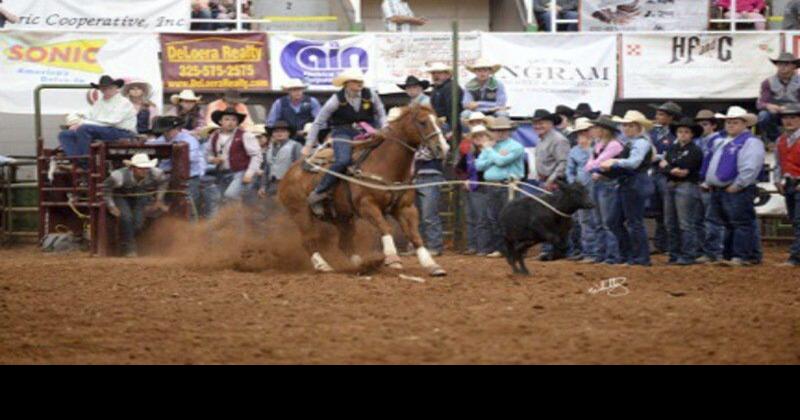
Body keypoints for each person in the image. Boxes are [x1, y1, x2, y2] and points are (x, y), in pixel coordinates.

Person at [304, 68, 387, 217]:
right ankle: (318, 192)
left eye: (360, 81)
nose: (360, 84)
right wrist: (308, 144)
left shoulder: (370, 94)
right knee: (343, 160)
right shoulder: (336, 100)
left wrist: (384, 128)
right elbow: (318, 122)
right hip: (342, 132)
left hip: (367, 131)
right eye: (355, 81)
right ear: (346, 84)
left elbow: (380, 112)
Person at [703, 106, 765, 267]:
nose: (730, 125)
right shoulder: (724, 141)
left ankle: (741, 255)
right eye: (728, 122)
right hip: (721, 188)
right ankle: (731, 255)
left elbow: (751, 167)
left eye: (735, 122)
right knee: (731, 223)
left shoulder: (750, 142)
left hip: (736, 188)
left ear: (745, 124)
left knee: (740, 223)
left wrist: (739, 184)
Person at [600, 110, 655, 266]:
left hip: (635, 184)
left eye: (630, 126)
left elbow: (634, 162)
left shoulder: (641, 143)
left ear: (638, 127)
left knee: (633, 222)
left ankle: (640, 257)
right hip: (628, 183)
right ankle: (630, 255)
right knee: (614, 221)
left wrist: (614, 162)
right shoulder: (632, 143)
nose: (626, 129)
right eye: (625, 125)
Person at [475, 117, 525, 258]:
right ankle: (501, 248)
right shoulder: (492, 146)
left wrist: (490, 152)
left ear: (509, 131)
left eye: (503, 130)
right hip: (492, 186)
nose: (500, 133)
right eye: (497, 130)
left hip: (508, 185)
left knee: (509, 218)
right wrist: (494, 156)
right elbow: (478, 165)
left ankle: (513, 248)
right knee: (493, 218)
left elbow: (501, 162)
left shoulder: (516, 146)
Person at [103, 153, 169, 257]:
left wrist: (159, 199)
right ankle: (129, 249)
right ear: (132, 168)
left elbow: (163, 182)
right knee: (126, 217)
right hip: (120, 195)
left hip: (140, 195)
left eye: (146, 168)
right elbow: (106, 188)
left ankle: (126, 244)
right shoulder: (118, 176)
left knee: (138, 222)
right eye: (141, 168)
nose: (144, 171)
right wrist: (111, 206)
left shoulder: (156, 173)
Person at [57, 75, 137, 159]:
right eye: (104, 88)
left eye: (109, 88)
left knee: (84, 129)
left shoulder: (123, 102)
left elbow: (112, 122)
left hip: (122, 132)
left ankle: (86, 163)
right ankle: (76, 161)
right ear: (100, 89)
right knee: (65, 134)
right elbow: (90, 116)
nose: (106, 90)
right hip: (105, 130)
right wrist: (77, 120)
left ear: (116, 87)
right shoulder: (100, 102)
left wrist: (81, 123)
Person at [660, 118, 704, 265]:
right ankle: (674, 254)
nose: (682, 134)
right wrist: (671, 169)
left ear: (692, 134)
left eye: (686, 132)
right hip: (673, 184)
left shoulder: (695, 150)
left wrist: (668, 167)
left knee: (685, 222)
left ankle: (687, 254)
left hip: (686, 185)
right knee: (670, 222)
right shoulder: (673, 148)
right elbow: (663, 165)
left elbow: (683, 171)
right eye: (680, 131)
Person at [146, 116, 208, 220]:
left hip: (188, 179)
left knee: (189, 208)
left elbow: (192, 158)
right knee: (170, 208)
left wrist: (173, 153)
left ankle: (192, 230)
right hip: (168, 179)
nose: (166, 134)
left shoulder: (189, 140)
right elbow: (148, 147)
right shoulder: (161, 140)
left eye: (168, 131)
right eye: (164, 132)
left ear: (176, 129)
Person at [585, 115, 626, 264]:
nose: (593, 130)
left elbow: (595, 164)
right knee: (598, 220)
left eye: (596, 128)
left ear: (604, 130)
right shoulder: (598, 144)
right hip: (600, 182)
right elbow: (591, 165)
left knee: (608, 221)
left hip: (608, 183)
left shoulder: (615, 145)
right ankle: (601, 254)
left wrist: (594, 167)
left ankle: (612, 255)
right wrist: (594, 167)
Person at [531, 109, 571, 261]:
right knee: (546, 218)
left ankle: (557, 251)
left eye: (541, 123)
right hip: (545, 181)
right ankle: (548, 250)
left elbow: (563, 162)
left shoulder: (558, 140)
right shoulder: (542, 139)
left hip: (555, 183)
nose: (537, 126)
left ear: (551, 123)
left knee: (553, 218)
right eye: (535, 123)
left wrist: (552, 179)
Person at [206, 107, 263, 204]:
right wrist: (212, 159)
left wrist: (249, 174)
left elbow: (256, 155)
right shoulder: (214, 136)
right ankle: (234, 218)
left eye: (234, 120)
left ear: (237, 122)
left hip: (241, 172)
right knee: (223, 201)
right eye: (227, 119)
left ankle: (239, 216)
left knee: (230, 195)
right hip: (222, 173)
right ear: (220, 121)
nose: (230, 122)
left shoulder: (246, 135)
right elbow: (208, 154)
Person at [648, 101, 682, 255]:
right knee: (658, 210)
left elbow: (675, 152)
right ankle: (661, 243)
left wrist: (659, 156)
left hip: (666, 173)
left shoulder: (676, 133)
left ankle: (670, 244)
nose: (657, 117)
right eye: (657, 114)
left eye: (661, 114)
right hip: (654, 172)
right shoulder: (652, 132)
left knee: (669, 210)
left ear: (671, 117)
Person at [566, 118, 601, 263]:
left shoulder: (599, 147)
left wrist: (588, 151)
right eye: (581, 132)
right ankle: (587, 251)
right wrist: (574, 184)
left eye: (586, 131)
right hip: (581, 190)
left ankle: (595, 252)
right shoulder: (574, 150)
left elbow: (597, 163)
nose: (584, 135)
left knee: (596, 220)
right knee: (583, 220)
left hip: (597, 187)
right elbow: (569, 170)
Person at [695, 109, 725, 263]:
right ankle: (706, 250)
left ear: (713, 125)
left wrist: (708, 181)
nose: (702, 127)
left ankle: (715, 251)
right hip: (699, 182)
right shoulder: (699, 141)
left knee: (712, 220)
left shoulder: (718, 141)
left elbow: (716, 162)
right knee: (700, 219)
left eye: (705, 124)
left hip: (709, 184)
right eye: (699, 124)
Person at [457, 124, 492, 256]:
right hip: (472, 188)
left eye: (481, 135)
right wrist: (464, 179)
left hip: (485, 186)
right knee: (471, 218)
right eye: (476, 136)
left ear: (487, 137)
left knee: (482, 218)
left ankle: (483, 247)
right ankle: (472, 245)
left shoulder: (490, 151)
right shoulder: (469, 154)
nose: (478, 138)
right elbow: (459, 168)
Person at [774, 104, 800, 267]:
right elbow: (778, 163)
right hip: (789, 182)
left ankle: (796, 256)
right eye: (786, 118)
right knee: (794, 219)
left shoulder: (782, 140)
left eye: (793, 118)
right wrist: (777, 179)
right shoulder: (780, 140)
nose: (789, 121)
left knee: (798, 220)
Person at [757, 52, 800, 144]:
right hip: (777, 113)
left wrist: (792, 109)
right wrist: (769, 106)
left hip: (796, 113)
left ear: (794, 66)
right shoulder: (768, 82)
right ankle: (776, 140)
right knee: (763, 116)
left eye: (786, 64)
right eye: (780, 64)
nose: (783, 66)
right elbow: (760, 103)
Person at [266, 79, 321, 145]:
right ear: (289, 91)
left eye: (299, 89)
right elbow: (271, 122)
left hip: (308, 137)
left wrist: (309, 131)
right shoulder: (279, 103)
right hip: (286, 139)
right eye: (294, 90)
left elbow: (320, 120)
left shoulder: (312, 101)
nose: (298, 92)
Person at [259, 121, 302, 198]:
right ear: (272, 134)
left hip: (289, 185)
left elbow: (300, 168)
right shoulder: (270, 148)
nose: (279, 133)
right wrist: (263, 186)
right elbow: (267, 169)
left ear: (289, 133)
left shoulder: (296, 146)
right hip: (272, 185)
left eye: (283, 131)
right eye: (276, 131)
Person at [427, 62, 464, 135]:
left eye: (439, 73)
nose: (435, 76)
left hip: (450, 124)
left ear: (448, 75)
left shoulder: (451, 87)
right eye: (433, 73)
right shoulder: (436, 89)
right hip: (440, 122)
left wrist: (452, 128)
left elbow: (453, 110)